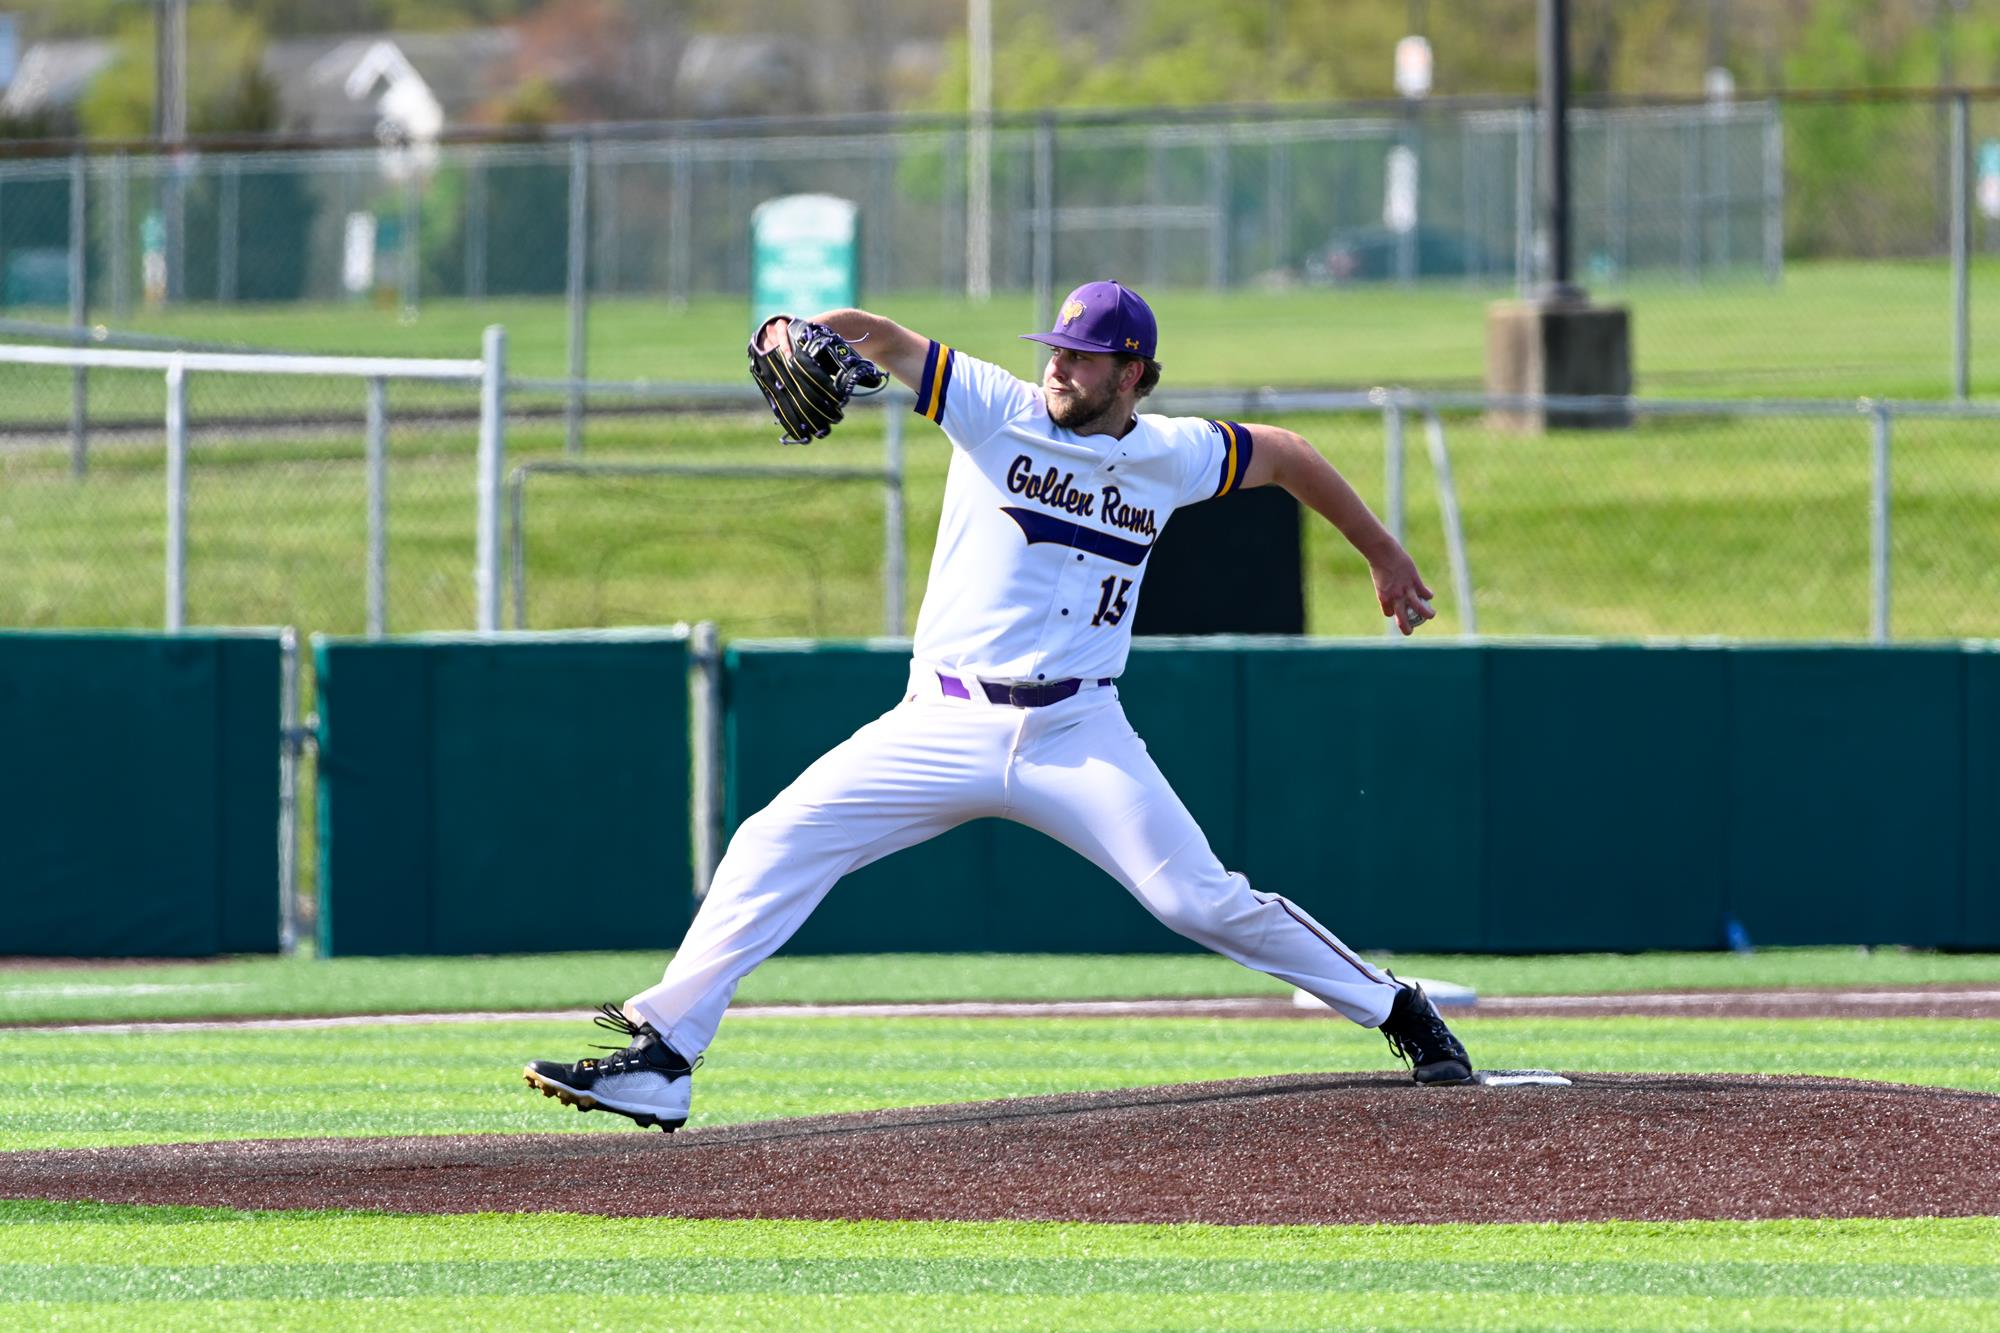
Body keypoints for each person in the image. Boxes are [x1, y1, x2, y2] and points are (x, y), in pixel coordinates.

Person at [524, 280, 1472, 1132]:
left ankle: (1394, 1006)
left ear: (1134, 371)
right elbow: (884, 336)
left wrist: (1381, 551)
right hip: (940, 721)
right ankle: (664, 1056)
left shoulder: (1173, 455)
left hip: (1077, 728)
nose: (1057, 365)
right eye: (1053, 347)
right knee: (773, 839)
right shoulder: (994, 406)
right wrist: (798, 327)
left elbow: (1290, 453)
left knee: (1199, 898)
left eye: (1081, 354)